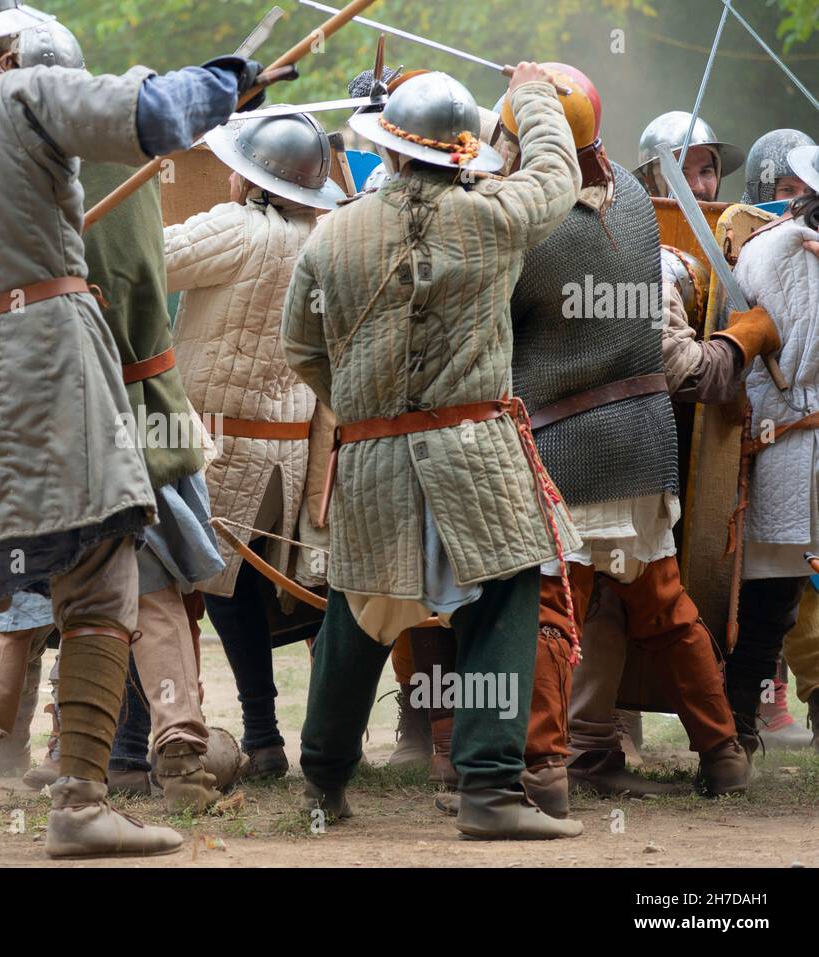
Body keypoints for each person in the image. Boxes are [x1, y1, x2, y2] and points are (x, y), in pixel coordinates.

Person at [0, 0, 280, 858]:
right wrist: (229, 80)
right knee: (105, 569)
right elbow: (153, 115)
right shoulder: (25, 94)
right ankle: (78, 803)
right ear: (2, 44)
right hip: (48, 379)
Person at [285, 64, 585, 839]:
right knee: (503, 600)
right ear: (462, 155)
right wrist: (534, 95)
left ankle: (322, 784)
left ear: (387, 149)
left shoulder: (333, 233)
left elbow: (302, 349)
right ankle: (488, 792)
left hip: (375, 458)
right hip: (474, 455)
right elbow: (557, 169)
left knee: (358, 615)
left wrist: (363, 403)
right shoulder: (494, 215)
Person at [0, 20, 226, 818]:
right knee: (155, 585)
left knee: (22, 599)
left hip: (48, 413)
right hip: (141, 408)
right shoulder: (127, 143)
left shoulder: (2, 165)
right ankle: (179, 755)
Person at [493, 64, 752, 807]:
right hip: (642, 438)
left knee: (553, 606)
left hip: (568, 449)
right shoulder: (636, 202)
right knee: (665, 607)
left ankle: (542, 771)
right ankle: (724, 753)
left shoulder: (526, 221)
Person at [165, 108, 344, 780]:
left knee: (207, 588)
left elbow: (150, 259)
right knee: (255, 589)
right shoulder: (325, 240)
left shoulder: (237, 228)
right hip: (293, 452)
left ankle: (244, 734)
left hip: (222, 448)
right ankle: (278, 738)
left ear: (255, 181)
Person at [725, 146, 819, 760]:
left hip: (781, 444)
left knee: (769, 605)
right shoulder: (770, 249)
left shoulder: (760, 247)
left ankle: (733, 740)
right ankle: (735, 733)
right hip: (784, 442)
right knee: (769, 605)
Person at [633, 110, 745, 203]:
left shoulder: (736, 228)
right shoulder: (631, 229)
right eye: (681, 175)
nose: (699, 187)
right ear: (652, 183)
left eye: (706, 172)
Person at [742, 129, 817, 206]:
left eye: (809, 191)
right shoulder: (734, 216)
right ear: (761, 194)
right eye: (788, 190)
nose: (800, 204)